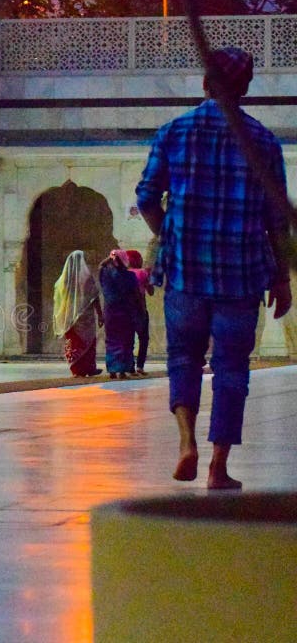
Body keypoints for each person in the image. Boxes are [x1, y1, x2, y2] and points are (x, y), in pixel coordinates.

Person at [135, 46, 292, 490]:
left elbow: (146, 197)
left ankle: (186, 443)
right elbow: (277, 220)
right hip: (242, 278)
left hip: (185, 271)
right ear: (244, 88)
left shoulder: (174, 132)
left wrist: (168, 232)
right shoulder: (262, 141)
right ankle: (218, 466)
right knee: (232, 367)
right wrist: (281, 278)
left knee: (183, 358)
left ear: (205, 83)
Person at [53, 250, 104, 377]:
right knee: (87, 341)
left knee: (75, 341)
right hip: (85, 316)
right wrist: (100, 314)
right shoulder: (86, 278)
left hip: (69, 317)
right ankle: (88, 368)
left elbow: (58, 300)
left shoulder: (62, 281)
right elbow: (94, 297)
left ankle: (76, 369)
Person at [99, 249, 140, 379]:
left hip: (111, 312)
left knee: (111, 340)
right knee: (125, 340)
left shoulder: (106, 275)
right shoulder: (131, 276)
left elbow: (101, 266)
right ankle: (122, 370)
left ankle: (112, 369)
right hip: (127, 312)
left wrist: (110, 257)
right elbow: (136, 295)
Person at [126, 249, 153, 376]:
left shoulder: (124, 273)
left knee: (128, 338)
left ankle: (130, 366)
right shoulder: (142, 272)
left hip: (127, 310)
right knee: (144, 338)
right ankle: (140, 366)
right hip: (141, 309)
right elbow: (151, 291)